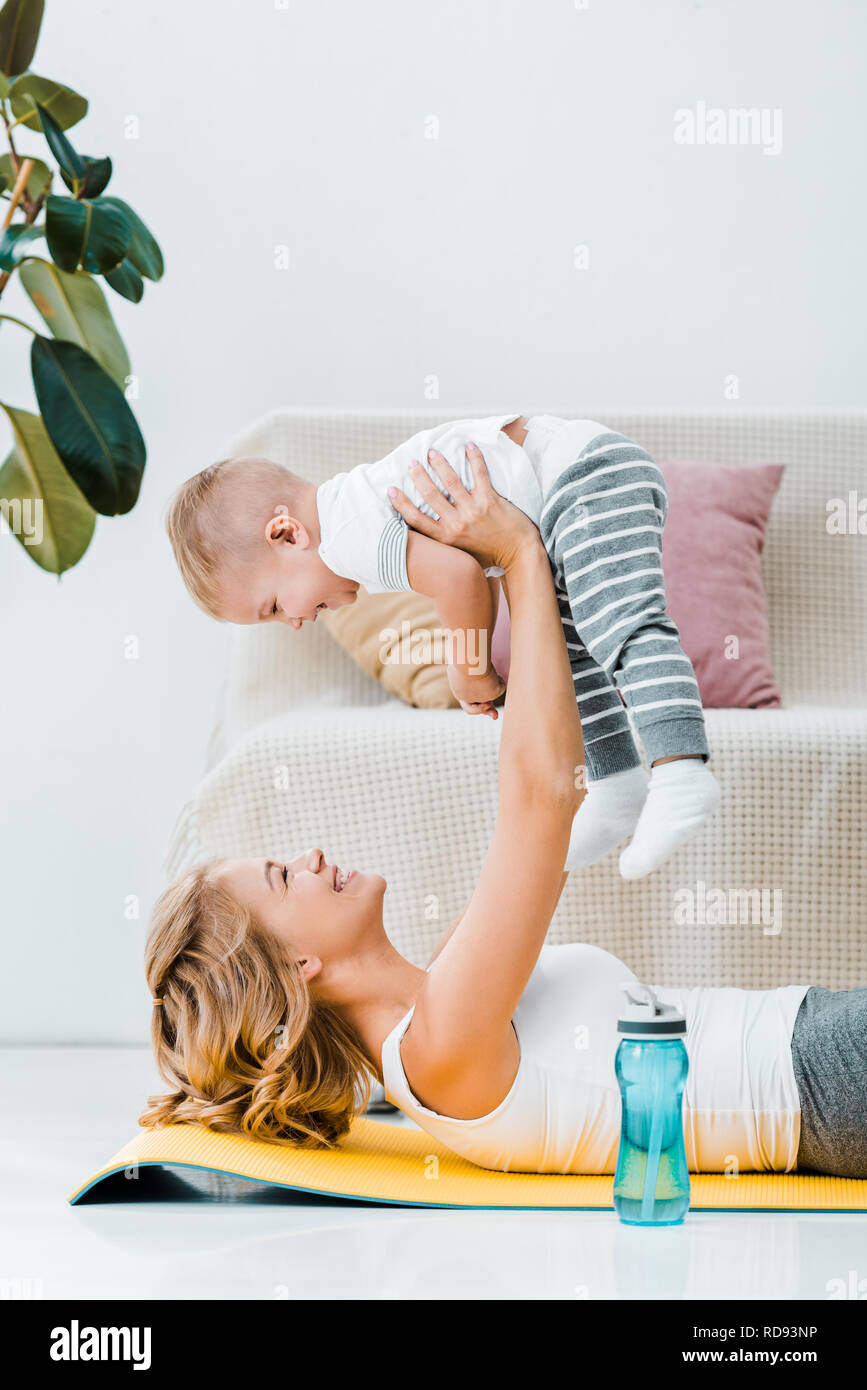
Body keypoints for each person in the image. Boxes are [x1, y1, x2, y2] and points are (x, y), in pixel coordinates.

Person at [145, 449, 865, 1179]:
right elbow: (544, 799)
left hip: (821, 1038)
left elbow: (536, 805)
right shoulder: (437, 1046)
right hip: (825, 1078)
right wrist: (519, 551)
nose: (311, 858)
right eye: (282, 875)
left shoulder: (437, 1003)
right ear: (298, 965)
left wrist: (501, 611)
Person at [164, 414, 720, 879]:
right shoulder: (352, 514)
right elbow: (478, 563)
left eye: (274, 607)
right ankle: (617, 786)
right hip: (560, 498)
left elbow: (457, 578)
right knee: (576, 652)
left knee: (620, 624)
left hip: (584, 477)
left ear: (287, 534)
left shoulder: (346, 535)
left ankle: (681, 770)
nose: (292, 623)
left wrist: (468, 668)